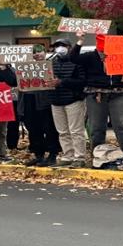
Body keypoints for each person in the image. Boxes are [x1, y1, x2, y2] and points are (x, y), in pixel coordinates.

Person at [74, 31, 123, 169]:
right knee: (96, 127)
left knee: (121, 126)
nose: (104, 54)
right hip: (96, 94)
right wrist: (80, 41)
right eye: (102, 51)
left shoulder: (121, 56)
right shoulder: (90, 56)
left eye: (107, 50)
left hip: (119, 93)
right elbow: (73, 58)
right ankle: (98, 157)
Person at [48, 39, 89, 167]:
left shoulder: (78, 63)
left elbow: (83, 81)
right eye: (57, 46)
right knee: (62, 131)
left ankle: (79, 157)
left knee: (76, 130)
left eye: (63, 45)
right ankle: (68, 155)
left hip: (73, 100)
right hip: (56, 100)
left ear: (70, 47)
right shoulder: (50, 63)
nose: (60, 48)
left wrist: (62, 82)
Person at [17, 49, 59, 166]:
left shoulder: (51, 65)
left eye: (40, 51)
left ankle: (52, 155)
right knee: (33, 130)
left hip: (46, 102)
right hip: (29, 101)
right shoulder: (24, 68)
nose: (37, 54)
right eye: (34, 53)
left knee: (50, 129)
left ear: (45, 53)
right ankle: (38, 155)